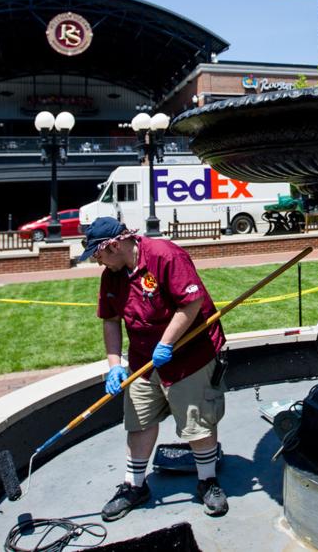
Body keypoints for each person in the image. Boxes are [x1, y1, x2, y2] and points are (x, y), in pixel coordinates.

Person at [79, 216, 229, 521]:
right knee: (139, 420)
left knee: (196, 421)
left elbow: (191, 304)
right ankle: (134, 486)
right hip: (143, 360)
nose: (98, 262)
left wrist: (167, 343)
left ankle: (207, 481)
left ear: (115, 245)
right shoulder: (113, 274)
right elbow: (110, 320)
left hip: (190, 355)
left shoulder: (165, 255)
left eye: (99, 255)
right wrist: (113, 365)